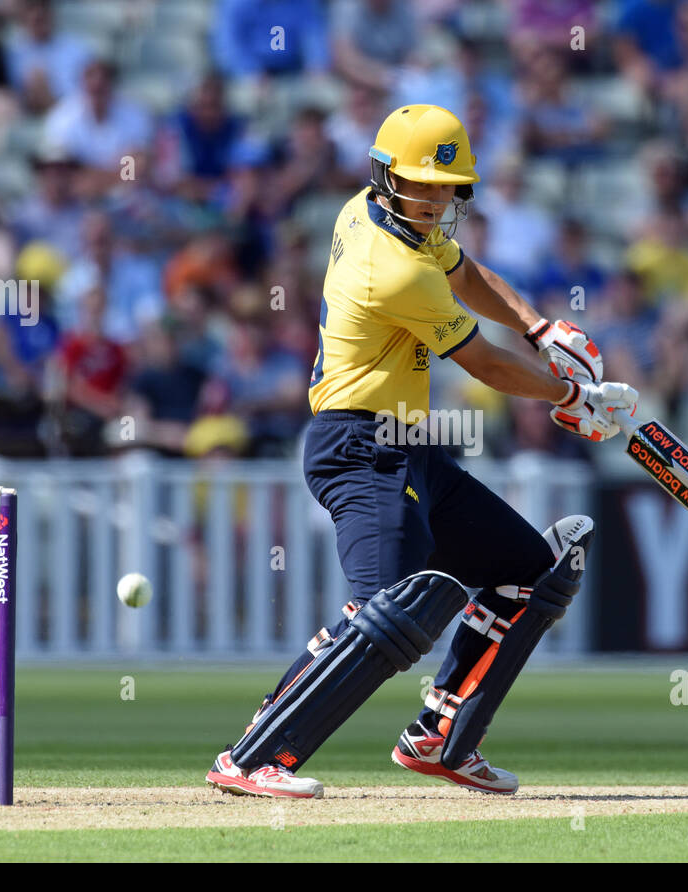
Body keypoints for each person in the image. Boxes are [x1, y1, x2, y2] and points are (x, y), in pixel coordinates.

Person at [205, 104, 637, 798]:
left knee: (531, 575)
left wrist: (538, 326)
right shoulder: (394, 267)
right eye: (422, 185)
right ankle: (255, 752)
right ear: (385, 176)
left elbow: (467, 275)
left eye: (448, 187)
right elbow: (485, 367)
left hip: (409, 444)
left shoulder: (383, 216)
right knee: (384, 610)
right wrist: (569, 395)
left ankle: (441, 737)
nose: (437, 200)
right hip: (357, 445)